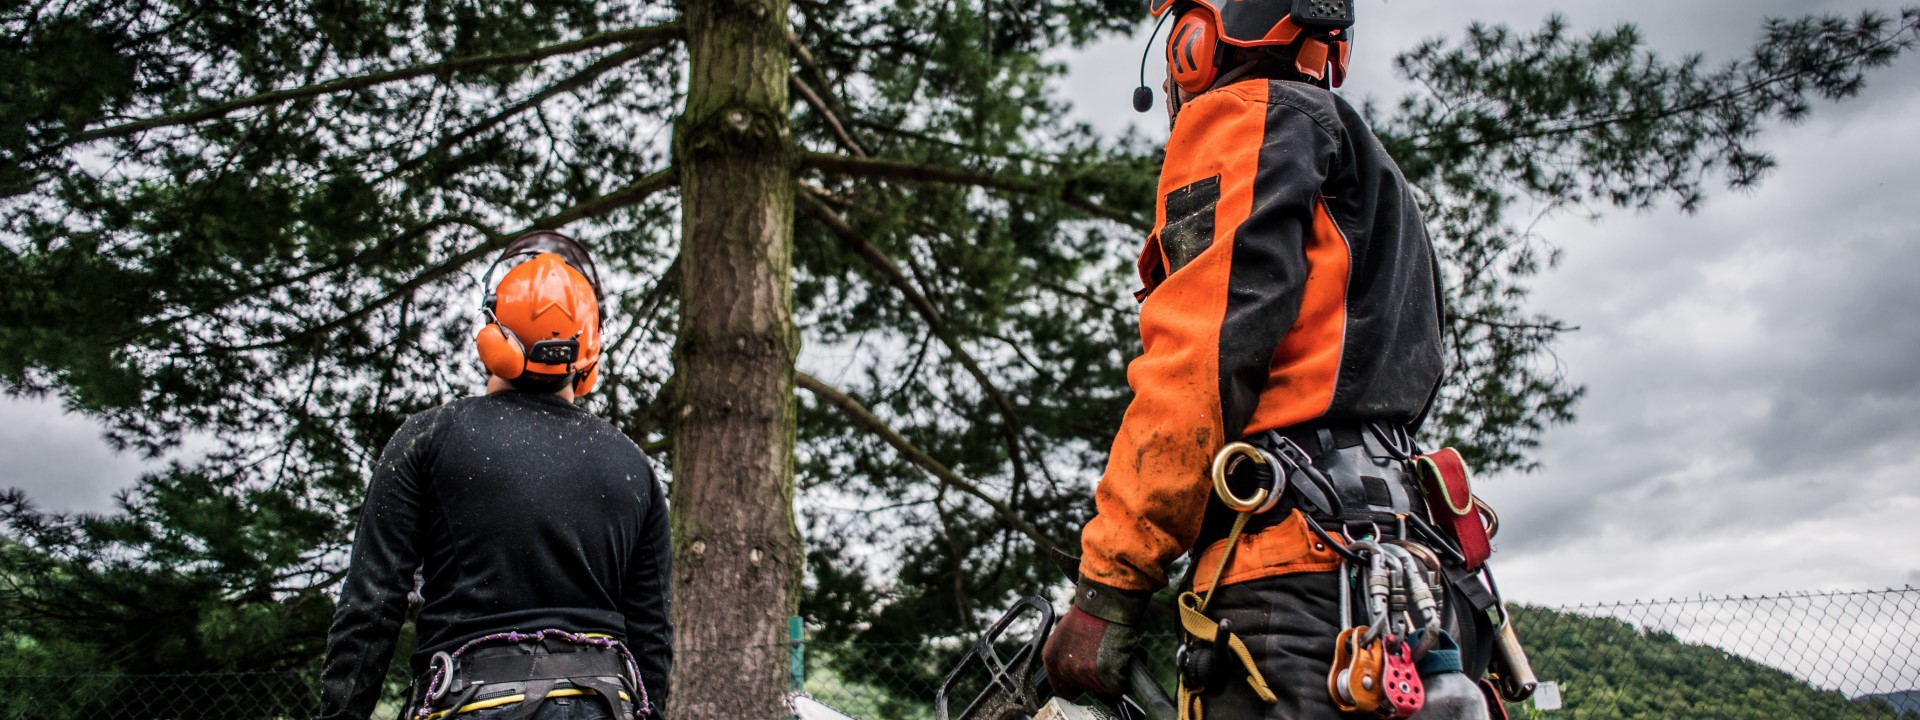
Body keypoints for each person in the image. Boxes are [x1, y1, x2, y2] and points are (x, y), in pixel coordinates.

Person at [1042, 1, 1505, 718]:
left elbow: (1198, 359)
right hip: (1415, 579)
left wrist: (1109, 583)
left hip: (1296, 588)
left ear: (1197, 39)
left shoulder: (1240, 118)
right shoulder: (1372, 175)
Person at [317, 231, 670, 720]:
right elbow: (652, 638)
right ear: (589, 353)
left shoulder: (429, 437)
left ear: (492, 334)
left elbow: (371, 608)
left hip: (468, 700)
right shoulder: (634, 465)